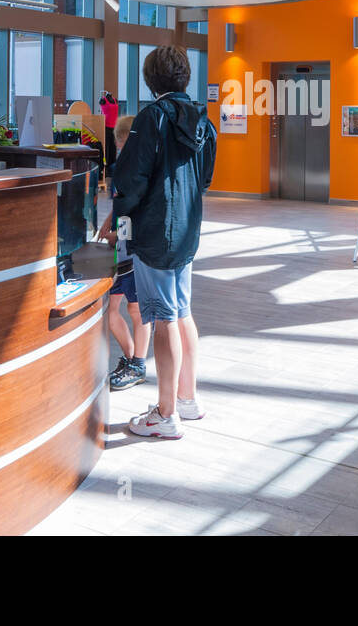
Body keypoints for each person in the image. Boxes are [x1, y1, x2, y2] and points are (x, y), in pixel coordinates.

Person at [113, 46, 217, 439]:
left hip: (156, 231)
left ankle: (166, 414)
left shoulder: (151, 118)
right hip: (188, 229)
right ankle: (188, 399)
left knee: (164, 319)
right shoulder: (203, 121)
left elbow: (131, 179)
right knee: (182, 310)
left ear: (149, 79)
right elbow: (205, 177)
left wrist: (120, 216)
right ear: (185, 77)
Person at [99, 114, 150, 390]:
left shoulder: (136, 169)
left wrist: (117, 234)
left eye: (119, 143)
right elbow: (122, 206)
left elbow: (137, 214)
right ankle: (131, 359)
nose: (119, 148)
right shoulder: (124, 168)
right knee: (110, 308)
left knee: (136, 309)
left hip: (132, 251)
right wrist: (111, 220)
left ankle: (138, 362)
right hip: (122, 250)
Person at [98, 91, 119, 181]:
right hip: (106, 127)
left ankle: (112, 170)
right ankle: (105, 170)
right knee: (106, 149)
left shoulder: (115, 100)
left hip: (114, 127)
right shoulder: (103, 100)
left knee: (113, 149)